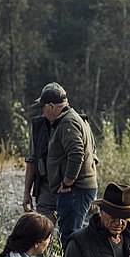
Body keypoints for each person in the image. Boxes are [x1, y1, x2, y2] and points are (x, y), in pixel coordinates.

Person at [40, 83, 99, 246]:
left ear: (51, 106)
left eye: (43, 108)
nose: (43, 113)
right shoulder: (71, 119)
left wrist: (67, 182)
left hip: (75, 190)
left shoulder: (67, 122)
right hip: (78, 189)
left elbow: (76, 153)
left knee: (70, 238)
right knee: (71, 235)